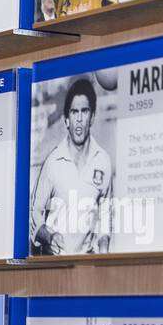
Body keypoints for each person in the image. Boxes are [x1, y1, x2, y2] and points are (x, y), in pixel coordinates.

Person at [30, 77, 114, 255]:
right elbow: (34, 211)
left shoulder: (103, 161)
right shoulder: (53, 162)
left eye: (84, 111)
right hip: (53, 266)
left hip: (86, 265)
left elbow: (106, 213)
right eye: (74, 112)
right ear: (67, 120)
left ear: (92, 117)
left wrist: (104, 245)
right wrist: (48, 236)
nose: (79, 119)